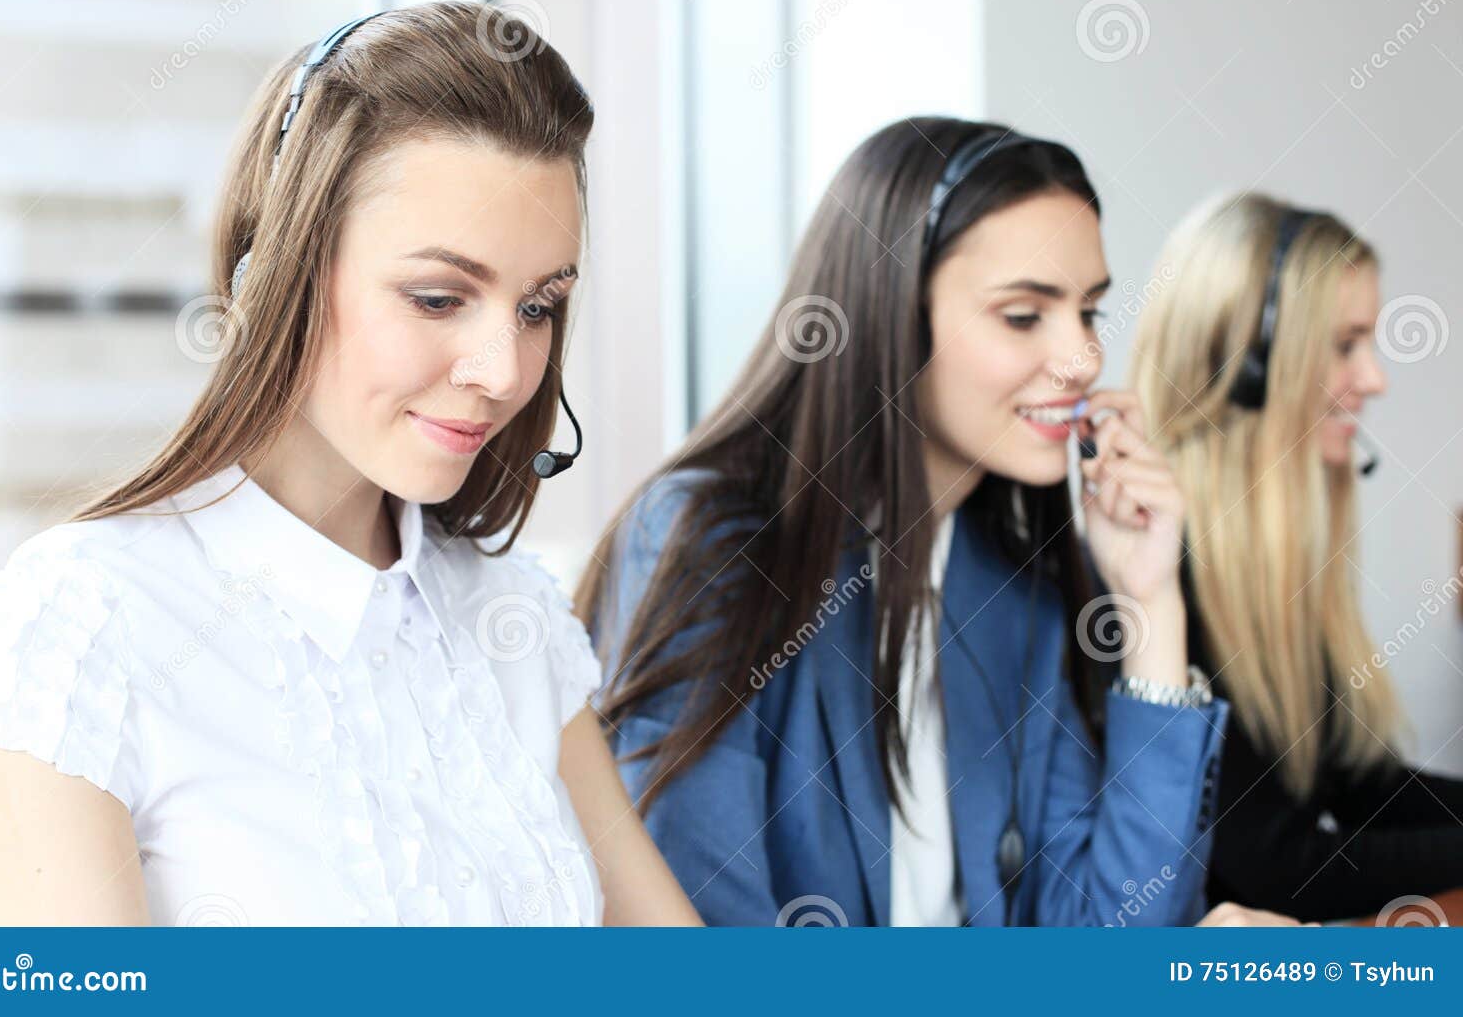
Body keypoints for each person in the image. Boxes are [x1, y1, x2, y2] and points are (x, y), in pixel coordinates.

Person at [0, 3, 699, 928]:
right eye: (438, 296)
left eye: (538, 306)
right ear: (278, 271)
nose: (503, 372)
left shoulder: (510, 614)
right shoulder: (73, 631)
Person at [576, 118, 1248, 927]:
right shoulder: (711, 543)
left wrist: (1149, 609)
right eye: (1024, 315)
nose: (1083, 358)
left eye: (1091, 313)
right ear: (892, 312)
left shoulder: (1013, 578)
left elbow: (1116, 938)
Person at [1130, 193, 1463, 922]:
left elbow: (1350, 776)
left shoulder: (1265, 557)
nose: (1374, 379)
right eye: (1344, 345)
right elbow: (1276, 866)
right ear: (1251, 364)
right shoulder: (1154, 565)